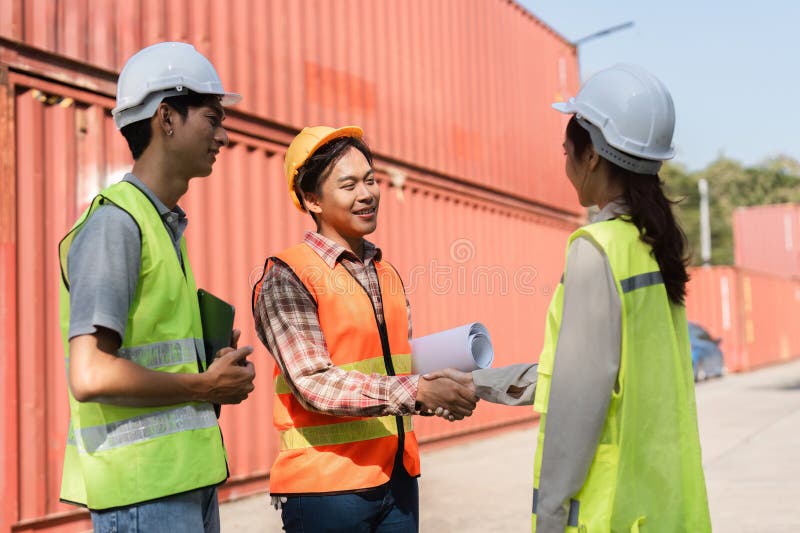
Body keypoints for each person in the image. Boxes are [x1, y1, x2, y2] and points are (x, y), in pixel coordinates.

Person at [427, 64, 712, 532]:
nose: (565, 162)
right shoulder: (655, 247)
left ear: (592, 155)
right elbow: (586, 376)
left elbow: (580, 400)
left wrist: (552, 513)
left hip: (608, 512)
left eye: (566, 150)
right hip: (665, 507)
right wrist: (476, 382)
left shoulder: (595, 249)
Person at [58, 42, 256, 532]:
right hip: (143, 496)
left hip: (181, 485)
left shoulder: (162, 225)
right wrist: (204, 384)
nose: (223, 137)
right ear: (167, 118)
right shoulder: (116, 225)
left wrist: (206, 366)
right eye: (212, 119)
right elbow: (90, 375)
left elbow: (152, 353)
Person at [252, 125, 478, 532]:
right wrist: (418, 391)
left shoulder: (385, 272)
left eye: (371, 180)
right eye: (349, 184)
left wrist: (442, 393)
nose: (367, 193)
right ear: (312, 199)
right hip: (327, 489)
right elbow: (314, 382)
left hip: (398, 478)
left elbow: (395, 368)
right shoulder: (289, 277)